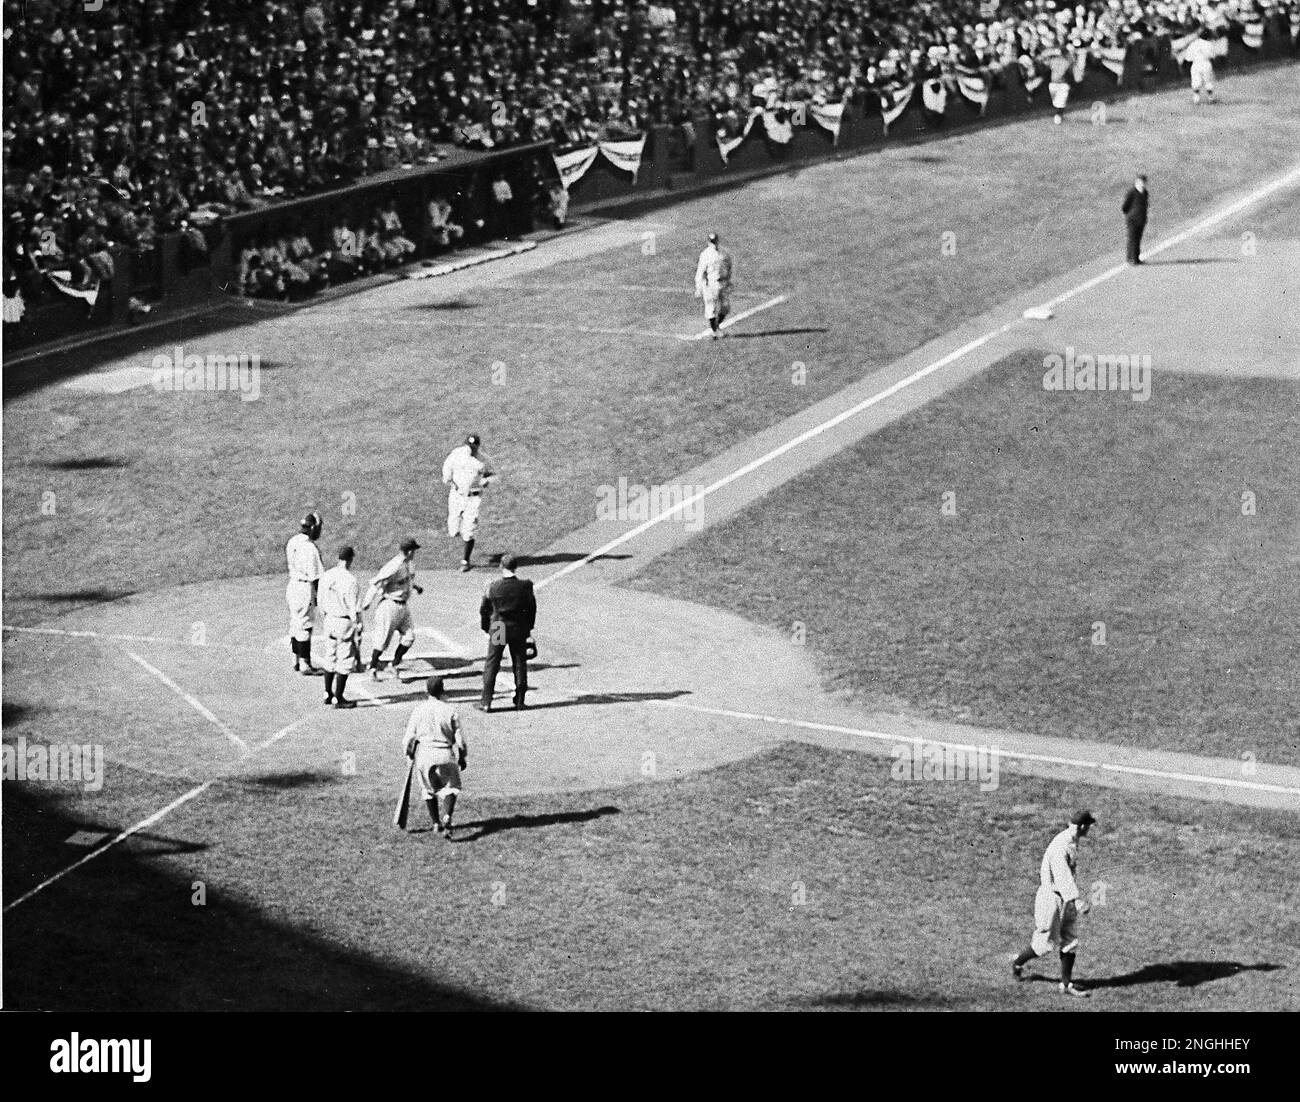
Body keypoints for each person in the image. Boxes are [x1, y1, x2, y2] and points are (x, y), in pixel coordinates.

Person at [1012, 810, 1098, 997]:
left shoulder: (1071, 841)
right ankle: (1018, 963)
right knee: (1045, 944)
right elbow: (1062, 877)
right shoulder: (1061, 845)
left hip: (1064, 899)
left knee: (1070, 940)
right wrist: (1077, 901)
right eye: (1089, 825)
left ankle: (1066, 985)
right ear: (1082, 826)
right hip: (1051, 899)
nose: (1090, 828)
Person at [402, 676, 468, 839]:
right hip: (445, 753)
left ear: (426, 691)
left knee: (428, 790)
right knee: (451, 787)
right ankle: (447, 816)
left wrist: (409, 753)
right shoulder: (450, 710)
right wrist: (462, 757)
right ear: (443, 690)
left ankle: (436, 823)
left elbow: (408, 738)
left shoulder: (418, 710)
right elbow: (460, 741)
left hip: (425, 754)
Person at [478, 553, 536, 713]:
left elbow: (484, 609)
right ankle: (520, 700)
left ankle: (486, 702)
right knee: (519, 663)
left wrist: (486, 628)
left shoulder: (493, 586)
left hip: (499, 627)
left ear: (501, 567)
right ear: (515, 567)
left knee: (492, 663)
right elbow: (531, 609)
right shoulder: (525, 586)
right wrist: (529, 629)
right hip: (518, 628)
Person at [363, 537, 425, 680]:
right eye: (414, 550)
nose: (415, 553)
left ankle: (394, 664)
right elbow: (376, 583)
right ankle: (372, 667)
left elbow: (407, 580)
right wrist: (367, 602)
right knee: (382, 641)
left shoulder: (409, 564)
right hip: (389, 606)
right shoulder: (393, 566)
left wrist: (416, 587)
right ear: (409, 551)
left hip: (403, 607)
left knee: (409, 637)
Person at [318, 544, 363, 708]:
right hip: (344, 622)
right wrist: (358, 628)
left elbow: (320, 601)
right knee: (345, 659)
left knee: (330, 656)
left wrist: (326, 617)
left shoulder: (327, 575)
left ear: (339, 558)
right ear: (351, 559)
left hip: (329, 619)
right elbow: (354, 609)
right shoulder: (351, 580)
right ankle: (339, 698)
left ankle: (327, 693)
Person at [442, 433, 494, 571]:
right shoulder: (456, 454)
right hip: (457, 495)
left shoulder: (482, 460)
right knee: (453, 530)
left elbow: (491, 473)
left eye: (474, 446)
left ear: (478, 446)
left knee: (469, 530)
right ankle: (459, 531)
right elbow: (447, 470)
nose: (472, 449)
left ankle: (465, 561)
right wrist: (450, 480)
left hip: (473, 498)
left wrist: (485, 481)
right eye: (469, 446)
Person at [285, 512, 324, 675]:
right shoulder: (310, 548)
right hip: (304, 589)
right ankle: (305, 663)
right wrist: (319, 597)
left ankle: (296, 659)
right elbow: (316, 577)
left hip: (292, 585)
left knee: (296, 623)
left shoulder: (292, 541)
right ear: (313, 528)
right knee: (305, 626)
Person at [694, 231, 733, 338]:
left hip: (723, 283)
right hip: (710, 284)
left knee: (725, 307)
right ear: (708, 242)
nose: (714, 244)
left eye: (715, 241)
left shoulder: (723, 253)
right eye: (712, 242)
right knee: (711, 308)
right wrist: (698, 287)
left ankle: (716, 327)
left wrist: (729, 281)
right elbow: (700, 272)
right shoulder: (705, 255)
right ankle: (715, 330)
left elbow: (729, 266)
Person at [1121, 175, 1149, 265]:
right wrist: (1130, 215)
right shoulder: (1132, 192)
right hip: (1132, 220)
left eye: (1144, 182)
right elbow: (1125, 206)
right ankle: (1130, 259)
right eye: (1140, 182)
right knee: (1132, 239)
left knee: (1138, 239)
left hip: (1141, 219)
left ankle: (1136, 258)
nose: (1142, 184)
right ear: (1136, 182)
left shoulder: (1145, 193)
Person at [1184, 31, 1217, 105]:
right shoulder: (1209, 44)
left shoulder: (1193, 44)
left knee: (1196, 81)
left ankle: (1196, 99)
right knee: (1208, 80)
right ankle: (1211, 98)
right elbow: (1213, 55)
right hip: (1206, 63)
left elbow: (1188, 57)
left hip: (1196, 64)